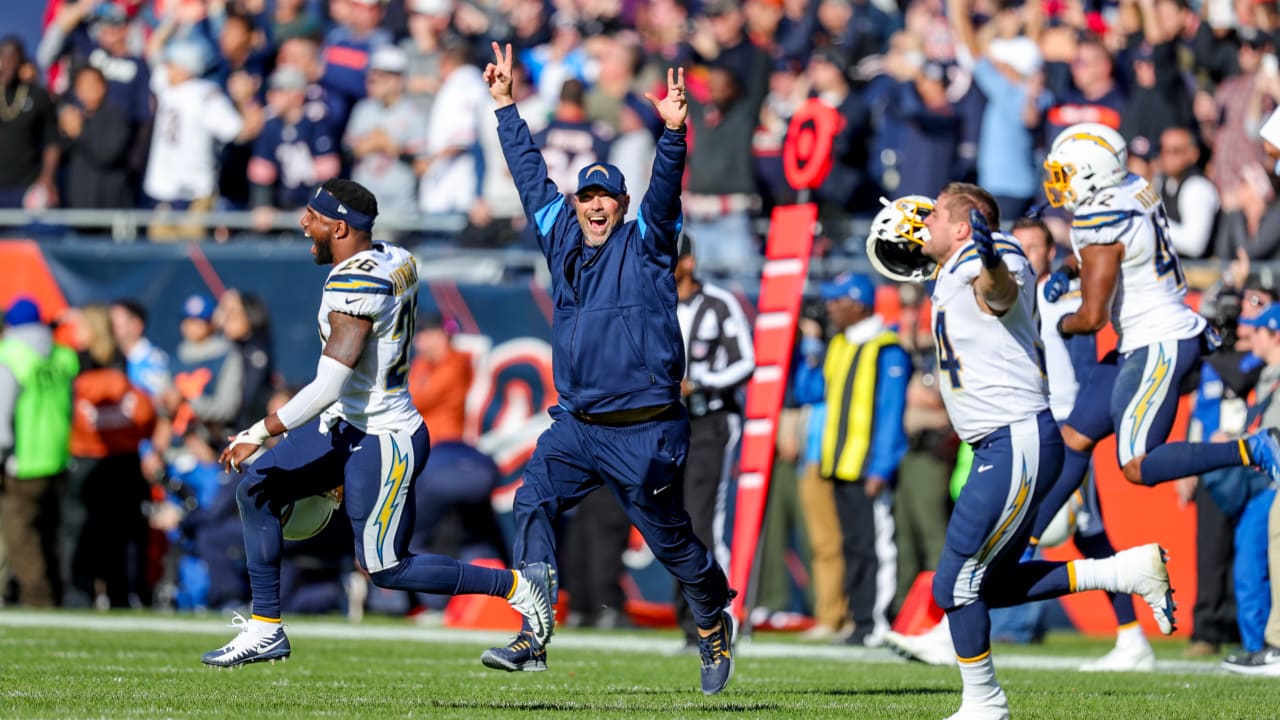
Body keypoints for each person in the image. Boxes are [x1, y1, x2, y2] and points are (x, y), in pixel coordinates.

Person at [202, 178, 554, 668]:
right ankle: (266, 630)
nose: (304, 224)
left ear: (340, 226)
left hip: (383, 438)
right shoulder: (395, 255)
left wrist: (259, 431)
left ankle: (518, 586)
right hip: (347, 426)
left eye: (314, 217)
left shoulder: (356, 284)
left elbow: (327, 385)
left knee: (387, 567)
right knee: (257, 489)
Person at [482, 43, 736, 695]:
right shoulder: (561, 239)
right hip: (579, 427)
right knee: (530, 500)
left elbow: (666, 188)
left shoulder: (649, 245)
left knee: (674, 546)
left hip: (647, 430)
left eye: (606, 197)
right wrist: (508, 108)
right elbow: (532, 178)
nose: (595, 206)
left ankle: (711, 612)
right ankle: (534, 632)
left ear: (621, 205)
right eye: (588, 196)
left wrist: (674, 132)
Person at [881, 183, 1177, 719]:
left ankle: (986, 703)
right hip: (1001, 441)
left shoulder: (995, 254)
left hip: (1015, 437)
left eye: (936, 217)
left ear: (965, 227)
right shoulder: (951, 266)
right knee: (982, 582)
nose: (924, 224)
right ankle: (1121, 572)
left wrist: (991, 257)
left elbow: (997, 293)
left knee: (957, 582)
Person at [1038, 123, 1280, 522]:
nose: (1057, 184)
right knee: (1074, 438)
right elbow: (1108, 255)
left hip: (1158, 340)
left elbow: (1093, 318)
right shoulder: (1130, 186)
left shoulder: (1101, 219)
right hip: (1148, 332)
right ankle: (1028, 541)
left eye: (1065, 174)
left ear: (1092, 173)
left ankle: (1251, 449)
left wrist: (1053, 324)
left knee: (1135, 465)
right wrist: (1071, 269)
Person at [1016, 216, 1155, 671]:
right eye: (1019, 246)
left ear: (1048, 253)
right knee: (1088, 537)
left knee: (1050, 530)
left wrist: (1078, 441)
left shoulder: (1060, 301)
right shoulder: (1007, 297)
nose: (1026, 254)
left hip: (1062, 429)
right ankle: (1132, 638)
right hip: (1029, 425)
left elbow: (1083, 371)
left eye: (1034, 247)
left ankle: (955, 626)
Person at [793, 272, 909, 648]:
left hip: (866, 466)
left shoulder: (885, 348)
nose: (830, 308)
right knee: (851, 545)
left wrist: (882, 466)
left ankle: (874, 621)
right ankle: (859, 622)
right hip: (837, 463)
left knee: (873, 545)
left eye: (837, 301)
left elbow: (891, 413)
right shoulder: (839, 344)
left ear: (857, 303)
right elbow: (810, 391)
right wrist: (811, 349)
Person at [673, 232, 756, 649]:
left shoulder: (718, 304)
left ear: (687, 263)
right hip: (667, 425)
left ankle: (718, 618)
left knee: (704, 520)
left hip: (711, 421)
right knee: (671, 522)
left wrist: (700, 382)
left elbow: (746, 360)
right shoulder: (652, 301)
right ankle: (688, 621)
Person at [0, 297, 79, 607]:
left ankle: (38, 600)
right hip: (57, 458)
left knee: (22, 538)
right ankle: (57, 594)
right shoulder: (62, 356)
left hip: (22, 462)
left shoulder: (11, 355)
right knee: (49, 534)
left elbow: (2, 414)